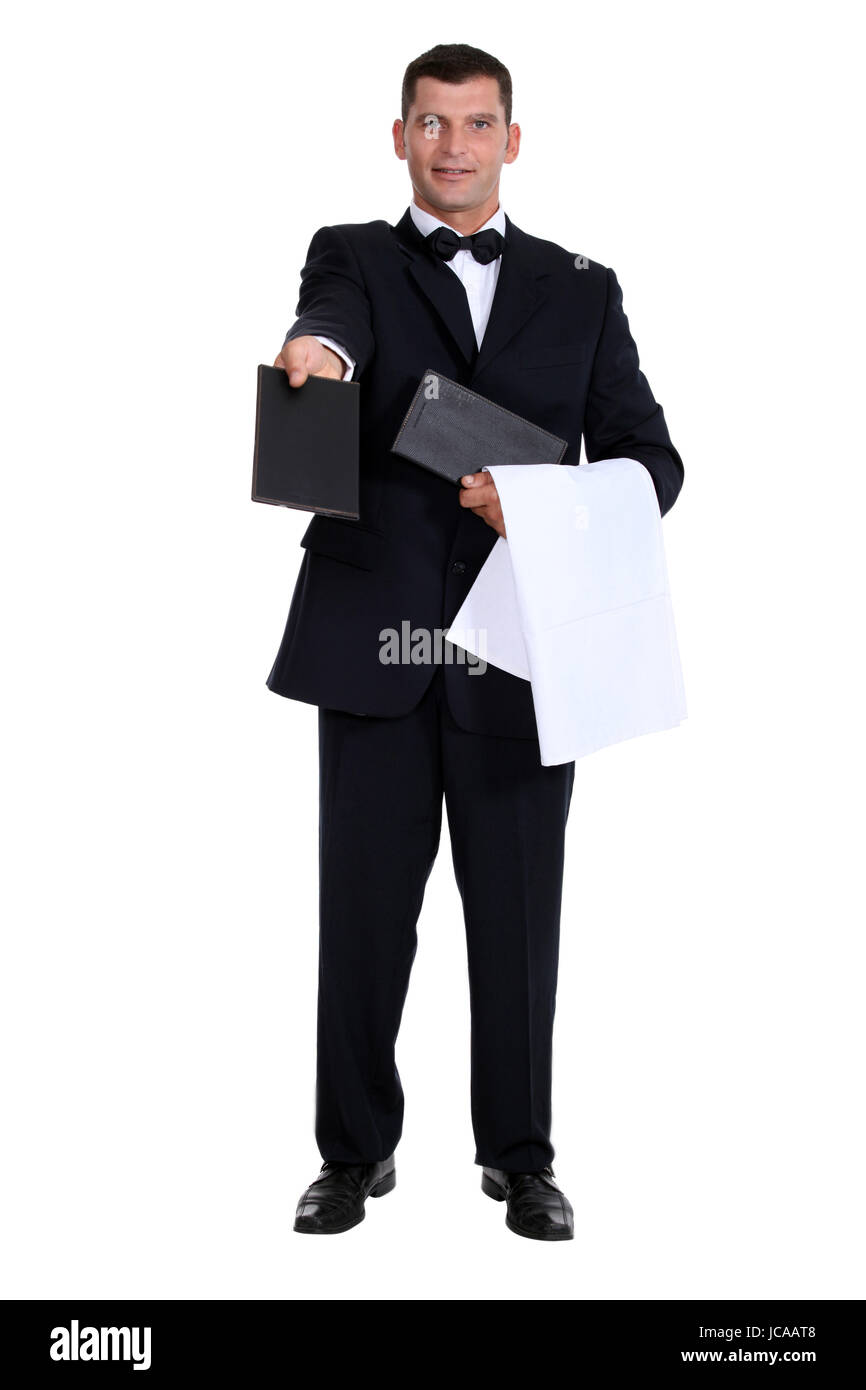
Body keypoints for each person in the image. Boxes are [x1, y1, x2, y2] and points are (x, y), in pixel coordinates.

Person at [267, 43, 684, 1240]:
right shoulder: (349, 253)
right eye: (431, 123)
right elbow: (327, 321)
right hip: (376, 644)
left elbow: (650, 464)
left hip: (518, 649)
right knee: (358, 920)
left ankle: (520, 1154)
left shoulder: (583, 288)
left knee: (517, 923)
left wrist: (540, 500)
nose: (453, 144)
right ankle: (352, 1156)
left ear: (514, 138)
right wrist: (318, 360)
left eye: (477, 122)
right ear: (397, 136)